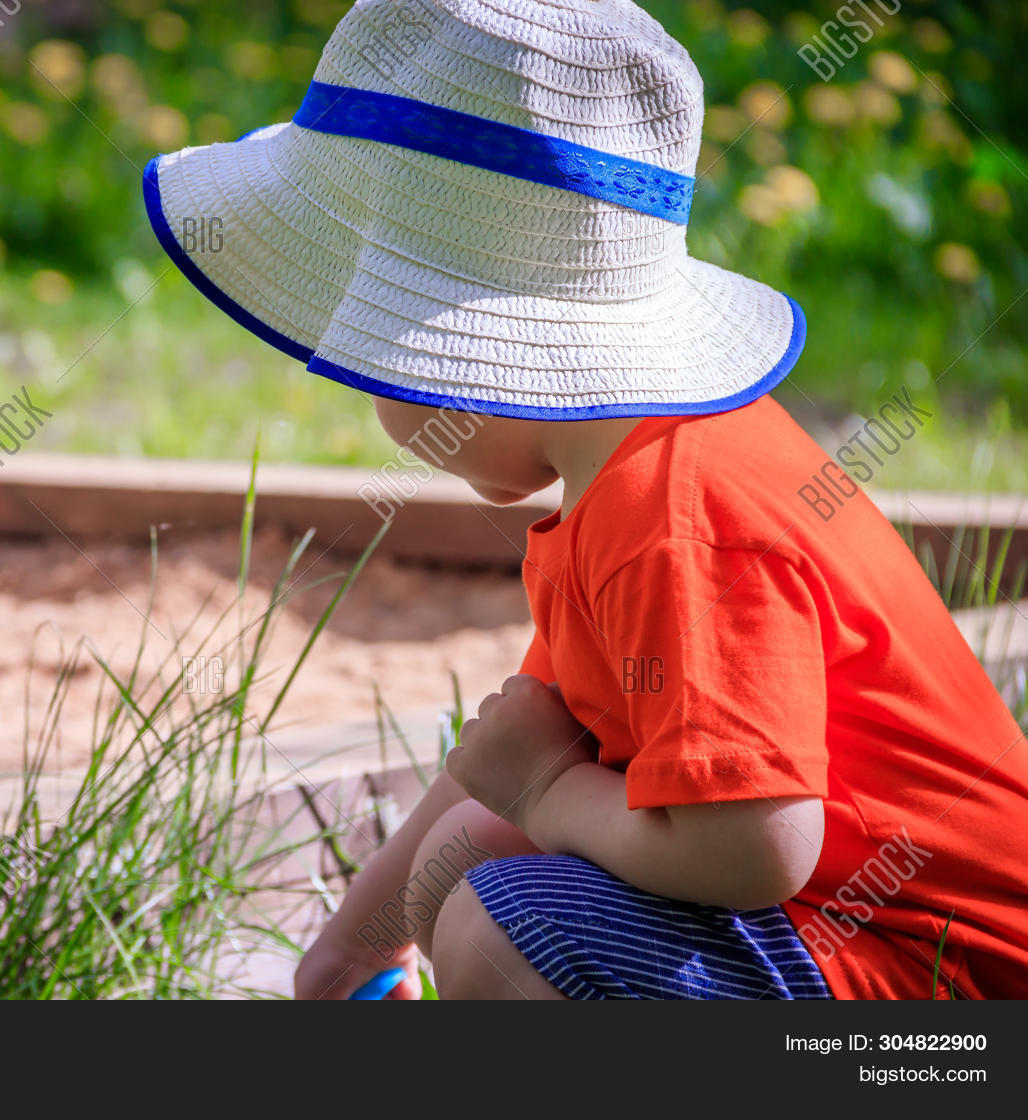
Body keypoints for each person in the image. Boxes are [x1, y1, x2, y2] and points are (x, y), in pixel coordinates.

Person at [141, 0, 1028, 998]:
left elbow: (756, 848)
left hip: (937, 991)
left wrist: (552, 792)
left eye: (372, 344)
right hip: (828, 940)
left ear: (448, 354)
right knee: (469, 864)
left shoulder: (678, 520)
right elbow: (522, 757)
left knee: (502, 931)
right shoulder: (632, 470)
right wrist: (350, 950)